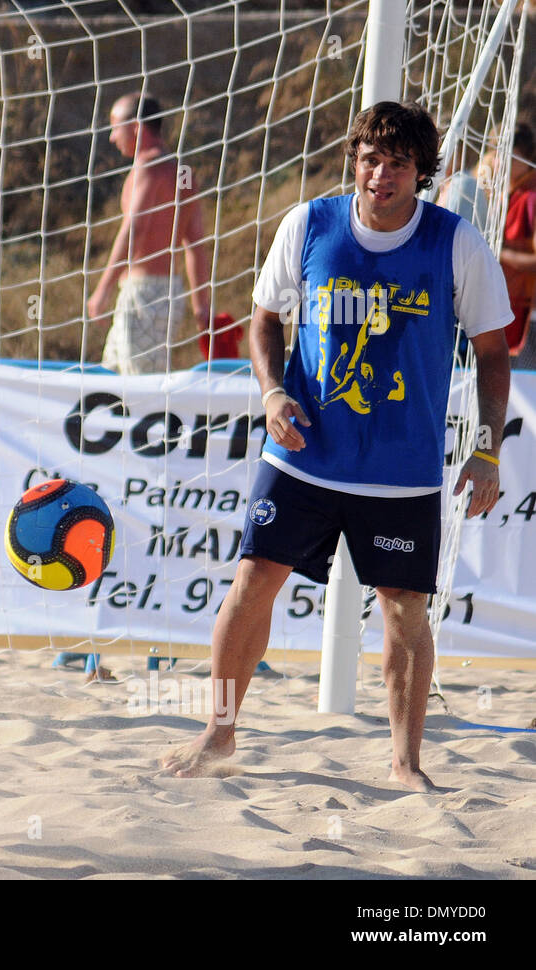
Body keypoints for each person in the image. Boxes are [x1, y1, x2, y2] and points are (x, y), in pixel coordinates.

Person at [160, 101, 511, 792]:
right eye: (370, 158)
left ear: (422, 172)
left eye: (399, 163)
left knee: (405, 611)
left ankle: (406, 764)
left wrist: (488, 449)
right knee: (252, 582)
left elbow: (494, 353)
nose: (381, 174)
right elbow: (264, 321)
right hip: (304, 457)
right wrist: (270, 392)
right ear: (354, 158)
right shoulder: (310, 223)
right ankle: (220, 733)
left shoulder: (456, 242)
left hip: (401, 470)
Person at [87, 93, 210, 374]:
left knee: (137, 392)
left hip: (143, 295)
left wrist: (102, 290)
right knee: (113, 379)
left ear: (137, 127)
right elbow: (195, 243)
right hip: (168, 292)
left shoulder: (148, 167)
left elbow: (134, 229)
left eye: (115, 126)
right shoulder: (185, 171)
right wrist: (201, 305)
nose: (111, 137)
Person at [496, 123, 536, 355]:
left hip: (528, 319)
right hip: (505, 308)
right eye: (499, 155)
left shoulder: (531, 197)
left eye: (512, 158)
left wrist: (498, 253)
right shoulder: (505, 193)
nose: (503, 163)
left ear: (528, 156)